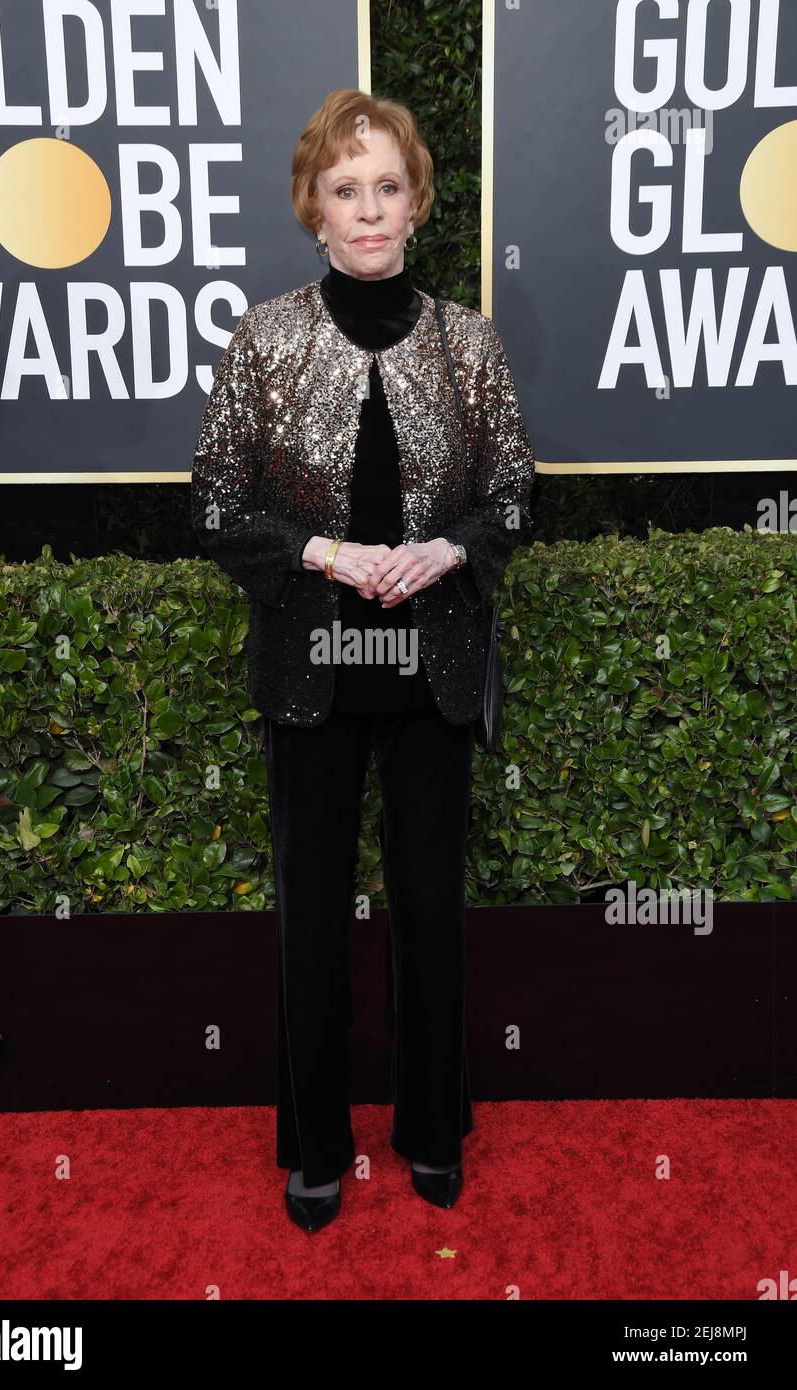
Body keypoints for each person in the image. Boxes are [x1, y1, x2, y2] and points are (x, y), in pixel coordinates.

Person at [191, 88, 535, 1233]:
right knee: (309, 916)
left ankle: (432, 1127)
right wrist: (329, 553)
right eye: (346, 187)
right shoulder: (265, 336)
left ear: (416, 196)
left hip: (430, 663)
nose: (369, 207)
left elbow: (510, 496)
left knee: (430, 905)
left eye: (387, 184)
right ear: (314, 206)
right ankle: (315, 1143)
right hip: (312, 667)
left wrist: (442, 550)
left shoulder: (466, 340)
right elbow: (214, 506)